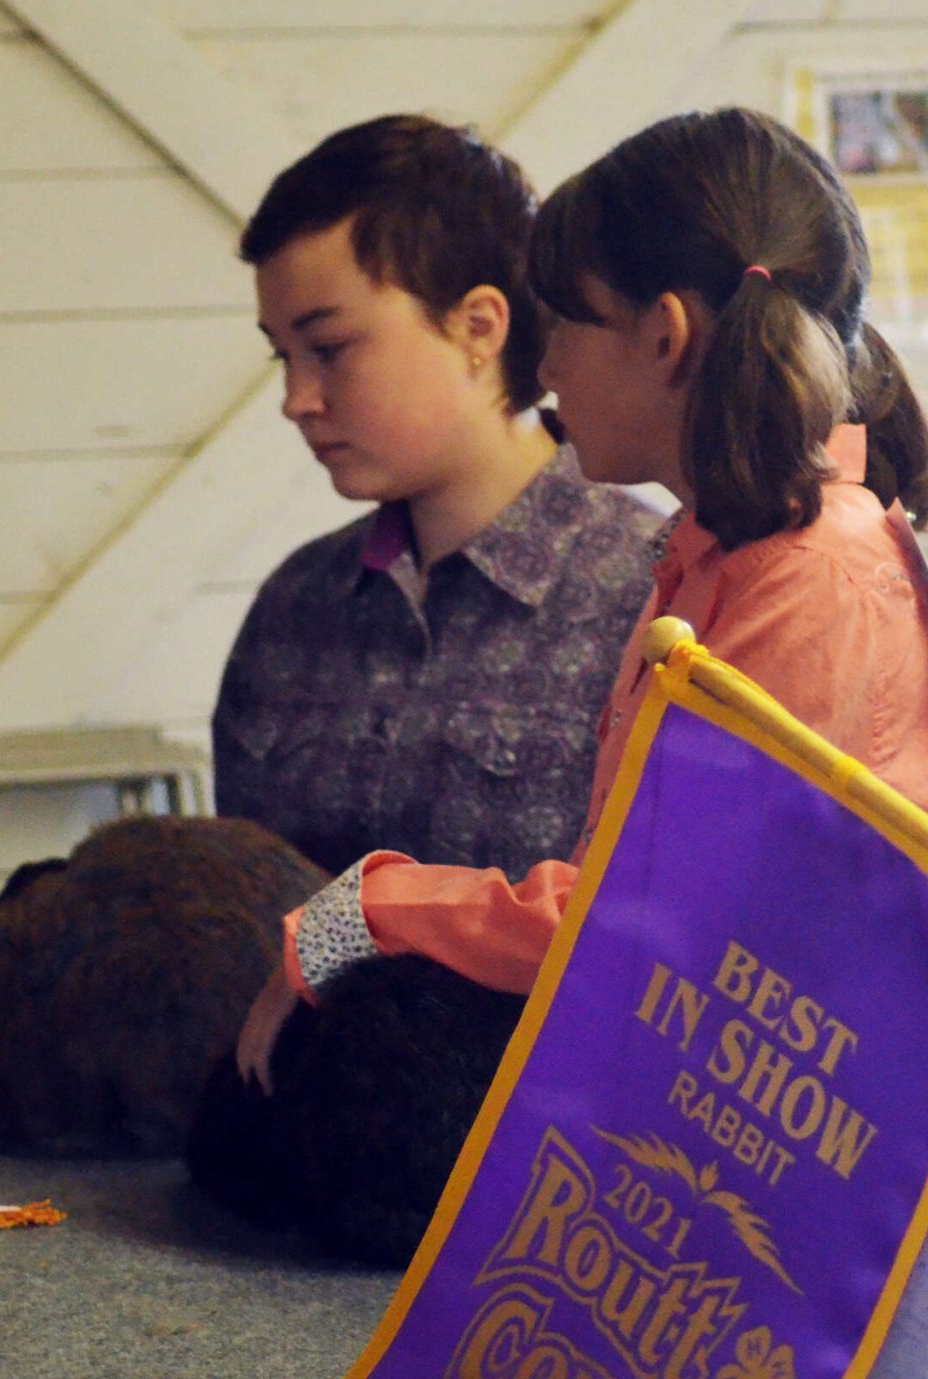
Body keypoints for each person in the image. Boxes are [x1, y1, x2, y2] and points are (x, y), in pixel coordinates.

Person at [237, 108, 928, 1083]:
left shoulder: (815, 577)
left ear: (664, 338)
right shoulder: (715, 558)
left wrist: (365, 913)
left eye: (566, 326)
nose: (543, 371)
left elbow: (655, 932)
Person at [216, 115, 664, 877]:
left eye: (329, 349)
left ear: (478, 327)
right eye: (283, 356)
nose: (296, 398)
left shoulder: (654, 599)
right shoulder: (294, 607)